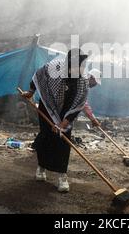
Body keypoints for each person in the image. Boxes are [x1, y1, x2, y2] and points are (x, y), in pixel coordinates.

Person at [23, 48, 89, 192]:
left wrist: (63, 123)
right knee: (46, 137)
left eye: (84, 65)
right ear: (70, 64)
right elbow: (39, 76)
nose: (83, 68)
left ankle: (62, 175)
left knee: (63, 142)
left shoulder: (83, 80)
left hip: (67, 112)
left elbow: (78, 104)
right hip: (47, 106)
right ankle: (41, 167)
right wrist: (30, 92)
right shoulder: (54, 68)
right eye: (80, 65)